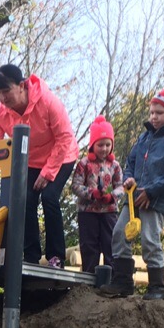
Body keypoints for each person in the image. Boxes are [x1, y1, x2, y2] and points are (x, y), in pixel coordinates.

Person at [0, 64, 79, 267]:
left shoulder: (48, 101)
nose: (3, 98)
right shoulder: (1, 112)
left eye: (6, 91)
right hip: (31, 160)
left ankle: (56, 256)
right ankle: (31, 256)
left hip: (61, 155)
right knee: (25, 200)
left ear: (21, 86)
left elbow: (65, 137)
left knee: (49, 197)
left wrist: (48, 172)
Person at [100, 85, 164, 300]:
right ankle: (123, 281)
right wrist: (128, 179)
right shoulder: (144, 138)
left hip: (155, 199)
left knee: (150, 240)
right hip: (133, 197)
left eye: (159, 113)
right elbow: (130, 162)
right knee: (119, 233)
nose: (154, 117)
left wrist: (152, 190)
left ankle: (157, 287)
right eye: (151, 112)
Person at [70, 115, 124, 273]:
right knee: (89, 245)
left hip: (109, 211)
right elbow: (75, 185)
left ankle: (110, 276)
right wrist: (91, 193)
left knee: (110, 244)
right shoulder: (84, 164)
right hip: (87, 212)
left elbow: (121, 186)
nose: (104, 149)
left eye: (108, 145)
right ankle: (88, 277)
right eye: (100, 145)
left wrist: (112, 196)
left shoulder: (115, 165)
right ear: (93, 145)